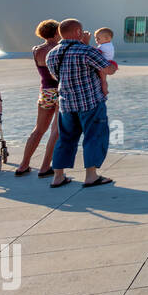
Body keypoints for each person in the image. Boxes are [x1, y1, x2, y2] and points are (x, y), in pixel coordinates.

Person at [46, 18, 118, 188]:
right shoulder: (86, 51)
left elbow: (56, 77)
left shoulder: (52, 54)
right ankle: (91, 176)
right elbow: (108, 69)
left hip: (67, 104)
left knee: (65, 139)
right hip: (90, 101)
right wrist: (113, 65)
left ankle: (58, 176)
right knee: (94, 136)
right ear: (78, 32)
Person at [15, 19, 62, 178]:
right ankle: (44, 167)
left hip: (45, 91)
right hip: (60, 90)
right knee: (55, 130)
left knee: (38, 130)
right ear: (57, 33)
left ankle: (23, 165)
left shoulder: (36, 50)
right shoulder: (59, 49)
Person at [94, 26, 117, 96]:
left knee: (103, 80)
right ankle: (105, 90)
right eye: (95, 38)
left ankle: (104, 91)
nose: (96, 40)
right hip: (110, 62)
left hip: (104, 64)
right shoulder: (110, 44)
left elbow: (97, 52)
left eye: (98, 38)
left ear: (107, 38)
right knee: (104, 79)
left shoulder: (103, 46)